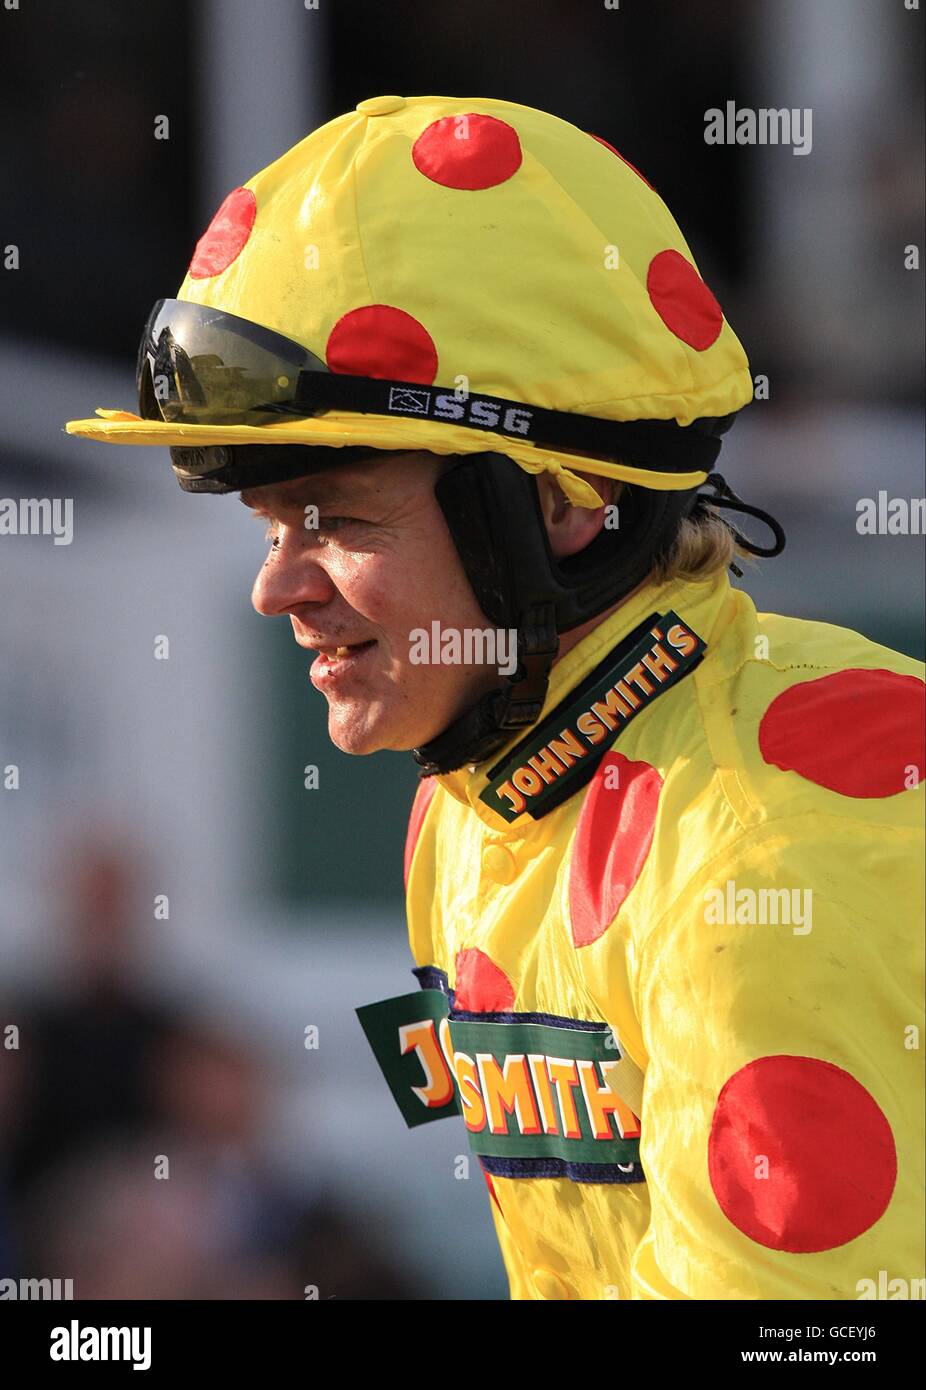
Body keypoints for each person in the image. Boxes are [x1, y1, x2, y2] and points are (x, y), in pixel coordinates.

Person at [66, 94, 924, 1301]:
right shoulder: (470, 804)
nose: (276, 589)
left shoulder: (763, 868)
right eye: (270, 527)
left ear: (567, 503)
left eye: (343, 521)